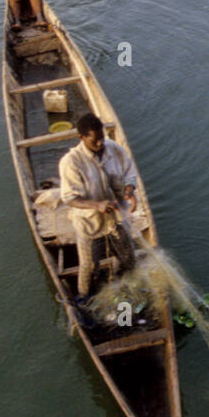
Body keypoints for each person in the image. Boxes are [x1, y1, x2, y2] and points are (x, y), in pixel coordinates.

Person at [59, 113, 139, 302]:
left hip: (116, 218)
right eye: (95, 140)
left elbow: (129, 171)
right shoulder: (71, 162)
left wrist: (129, 189)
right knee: (89, 265)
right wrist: (97, 205)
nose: (100, 143)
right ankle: (85, 298)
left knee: (129, 257)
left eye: (102, 138)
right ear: (81, 138)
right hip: (90, 224)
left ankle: (129, 288)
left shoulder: (113, 148)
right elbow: (70, 198)